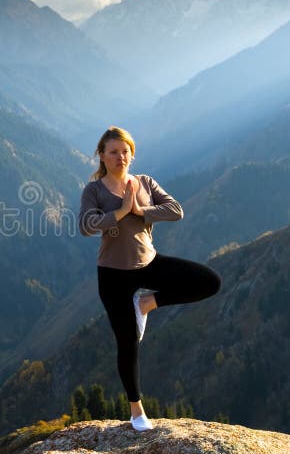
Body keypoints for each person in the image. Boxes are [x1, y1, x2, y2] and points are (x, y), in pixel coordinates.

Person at [79, 126, 221, 432]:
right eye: (113, 151)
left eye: (125, 151)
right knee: (127, 343)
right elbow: (86, 225)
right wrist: (120, 212)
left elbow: (175, 210)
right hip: (113, 275)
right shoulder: (94, 190)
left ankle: (146, 303)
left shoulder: (144, 182)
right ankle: (136, 410)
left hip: (149, 263)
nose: (120, 157)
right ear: (102, 156)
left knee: (209, 281)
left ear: (132, 153)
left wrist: (140, 210)